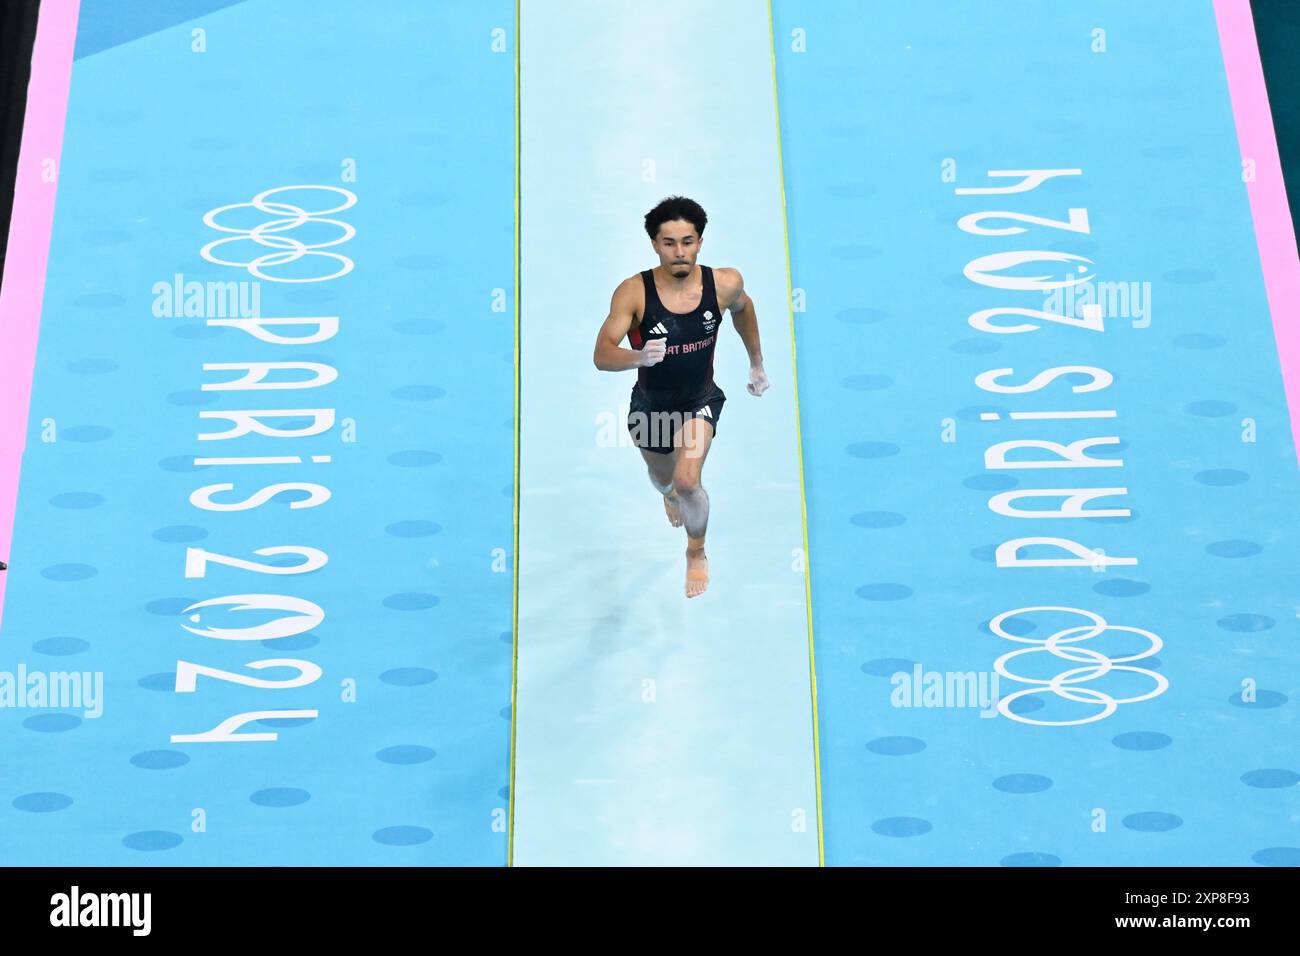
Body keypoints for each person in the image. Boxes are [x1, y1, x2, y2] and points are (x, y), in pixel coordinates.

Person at [592, 196, 769, 597]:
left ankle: (696, 551)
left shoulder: (724, 284)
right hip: (650, 409)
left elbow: (744, 310)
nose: (679, 252)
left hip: (699, 401)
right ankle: (669, 493)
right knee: (663, 479)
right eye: (669, 243)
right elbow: (602, 354)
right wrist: (638, 356)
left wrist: (756, 363)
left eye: (687, 241)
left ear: (700, 242)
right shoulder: (634, 293)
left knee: (689, 480)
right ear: (655, 245)